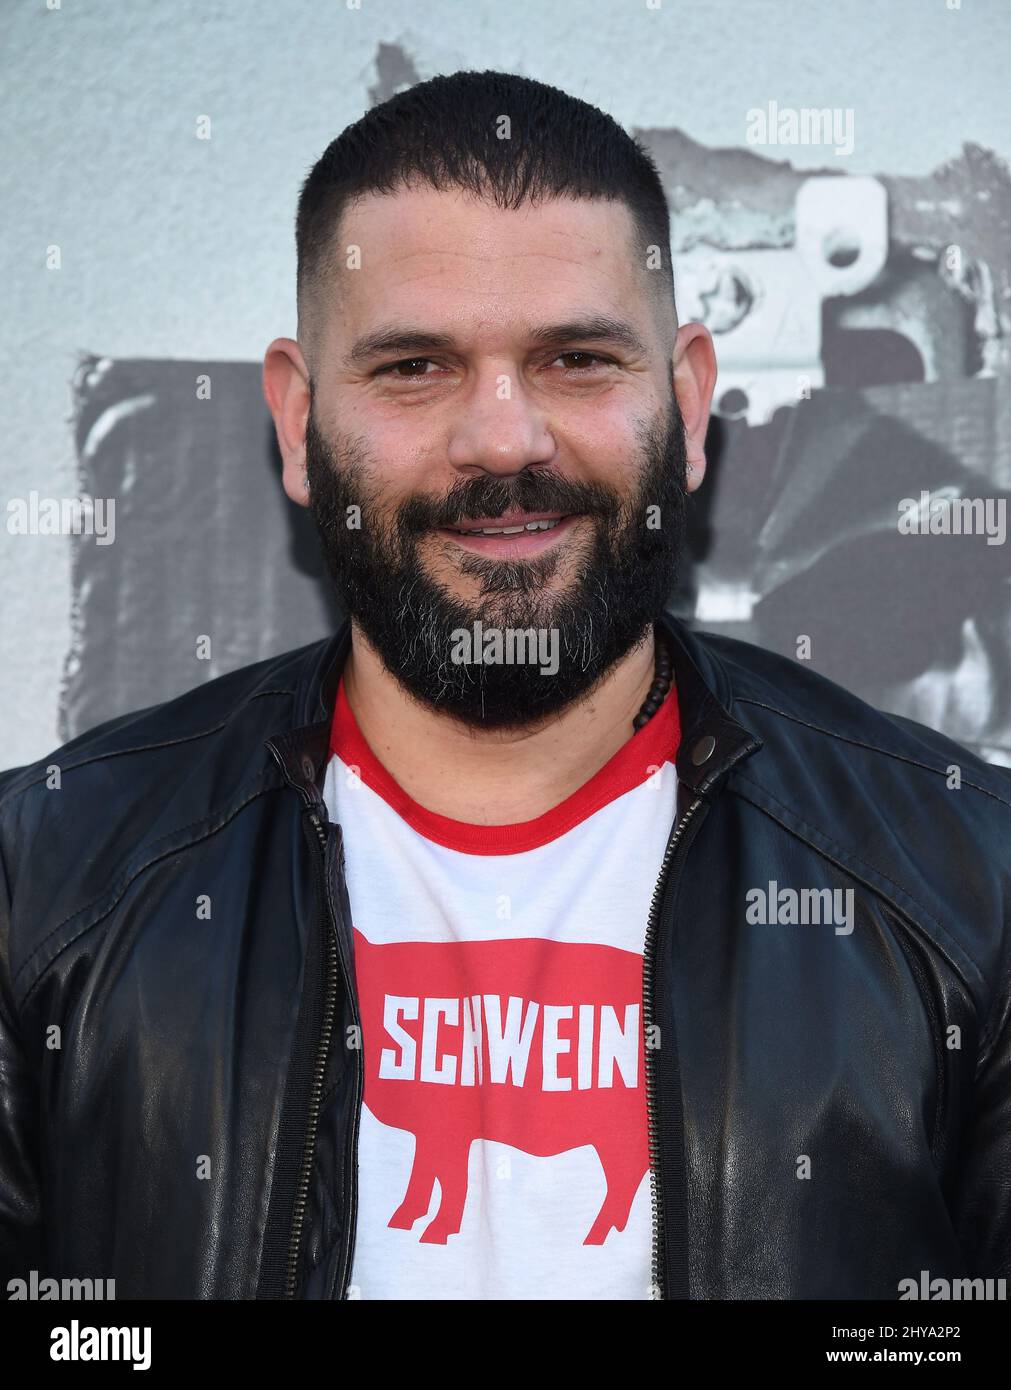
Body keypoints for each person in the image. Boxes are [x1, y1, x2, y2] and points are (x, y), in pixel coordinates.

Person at [1, 69, 1008, 1303]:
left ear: (690, 407)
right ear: (299, 421)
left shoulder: (975, 894)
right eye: (415, 366)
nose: (503, 440)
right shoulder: (36, 886)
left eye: (578, 359)